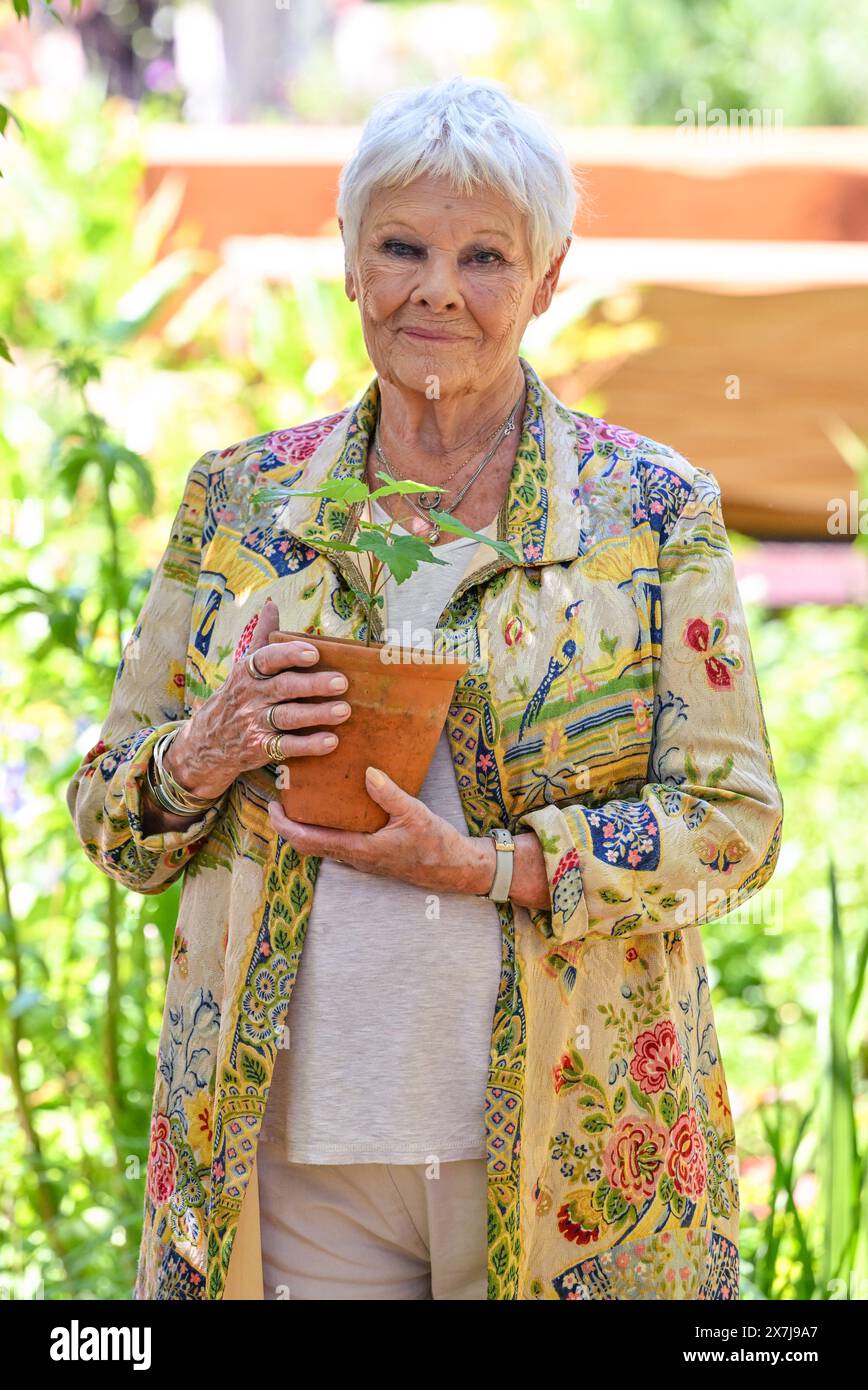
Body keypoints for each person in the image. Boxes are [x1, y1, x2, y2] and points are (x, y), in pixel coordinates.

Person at [67, 75, 783, 1301]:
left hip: (577, 1160)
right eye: (400, 246)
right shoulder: (241, 504)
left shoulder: (648, 511)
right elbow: (111, 820)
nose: (435, 287)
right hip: (288, 1165)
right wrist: (213, 744)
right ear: (349, 265)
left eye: (484, 256)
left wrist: (494, 865)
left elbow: (735, 826)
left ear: (548, 280)